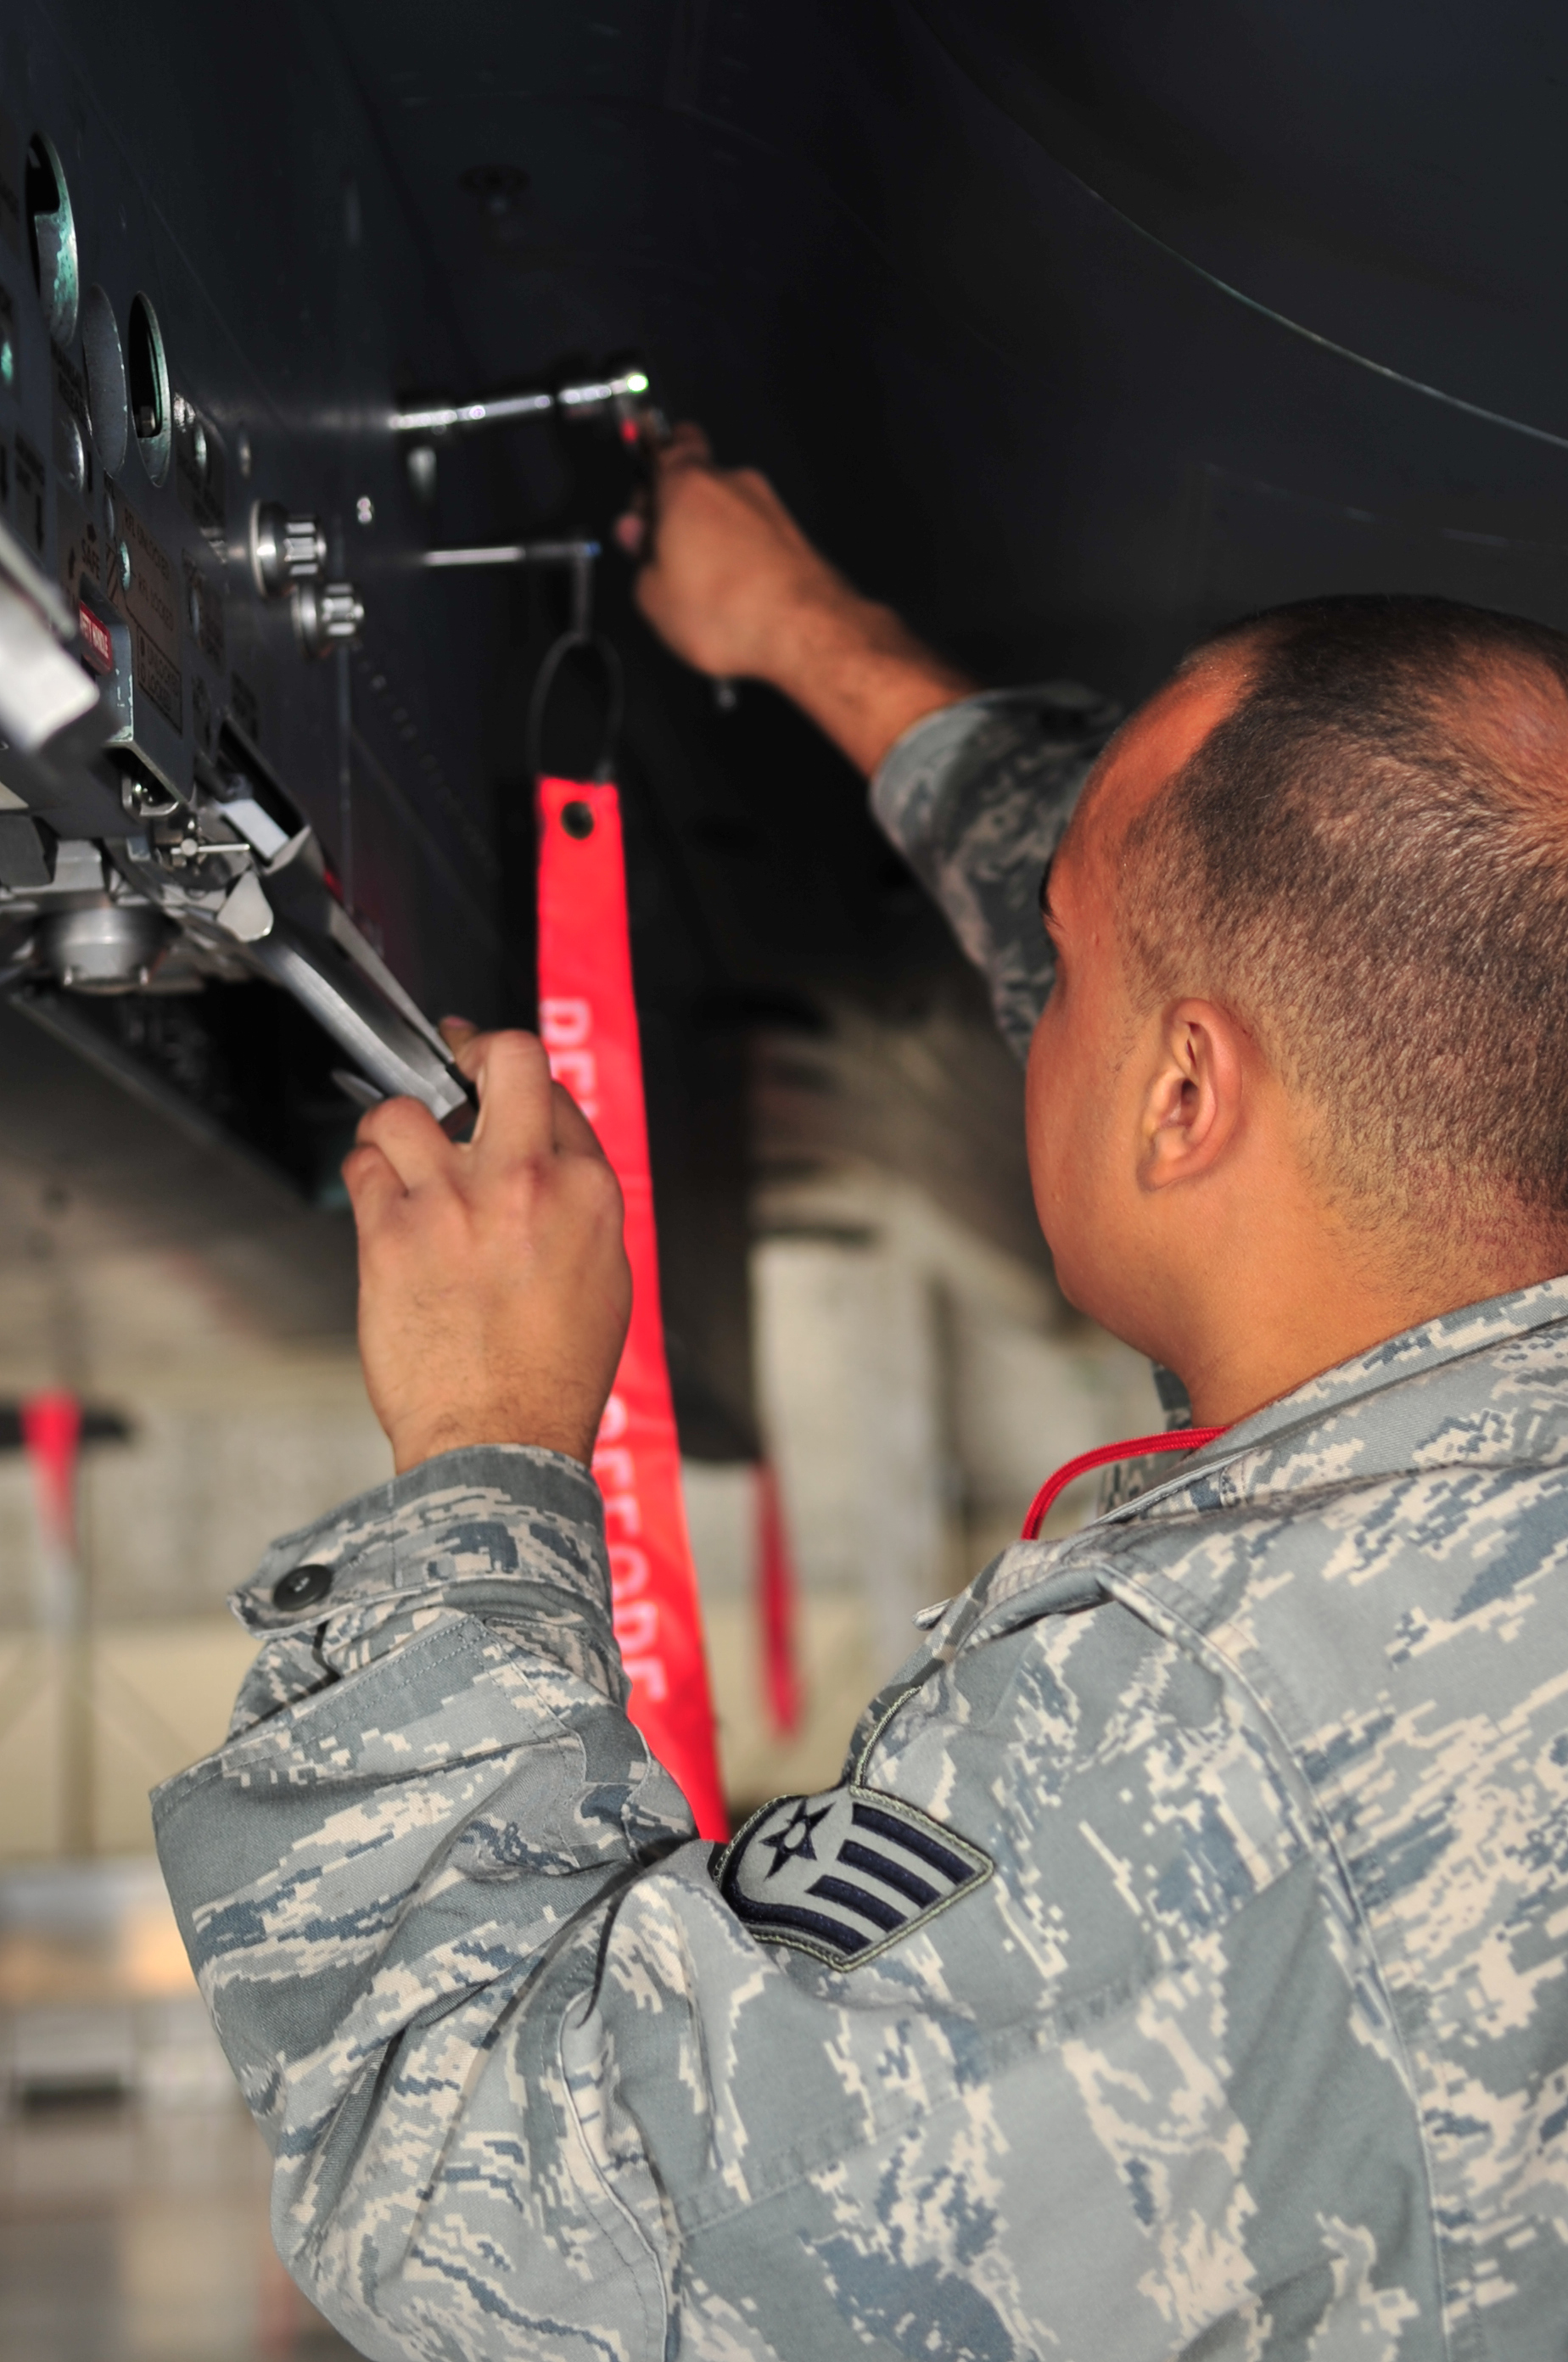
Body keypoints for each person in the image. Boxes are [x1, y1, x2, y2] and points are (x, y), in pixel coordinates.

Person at [154, 430, 1568, 2362]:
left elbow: (509, 2224)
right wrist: (812, 636)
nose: (1036, 1013)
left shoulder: (1218, 1732)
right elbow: (1325, 963)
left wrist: (484, 1454)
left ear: (1183, 1097)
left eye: (1064, 961)